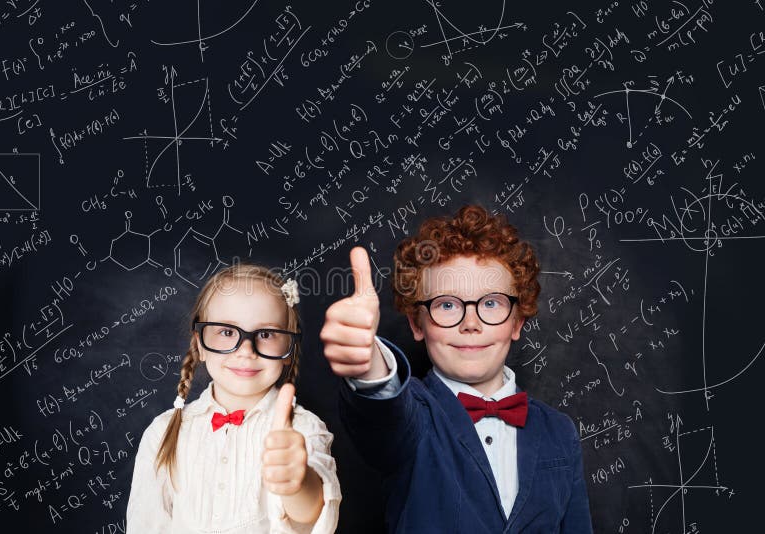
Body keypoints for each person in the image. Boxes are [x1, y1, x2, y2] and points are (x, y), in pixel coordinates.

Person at [321, 204, 592, 533]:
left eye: (491, 303)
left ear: (517, 321)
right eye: (447, 305)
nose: (471, 323)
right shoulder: (414, 419)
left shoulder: (560, 431)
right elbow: (383, 410)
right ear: (417, 324)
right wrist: (367, 362)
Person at [127, 263, 341, 533]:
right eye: (227, 332)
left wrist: (297, 484)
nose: (246, 350)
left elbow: (313, 518)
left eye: (265, 334)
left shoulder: (303, 429)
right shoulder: (163, 432)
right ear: (200, 345)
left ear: (288, 348)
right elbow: (145, 525)